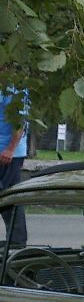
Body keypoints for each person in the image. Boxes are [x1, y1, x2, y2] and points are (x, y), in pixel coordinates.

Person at [0, 87, 28, 247]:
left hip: (8, 154)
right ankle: (17, 240)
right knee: (8, 196)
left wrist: (10, 148)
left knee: (8, 196)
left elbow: (19, 121)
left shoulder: (13, 88)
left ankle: (17, 241)